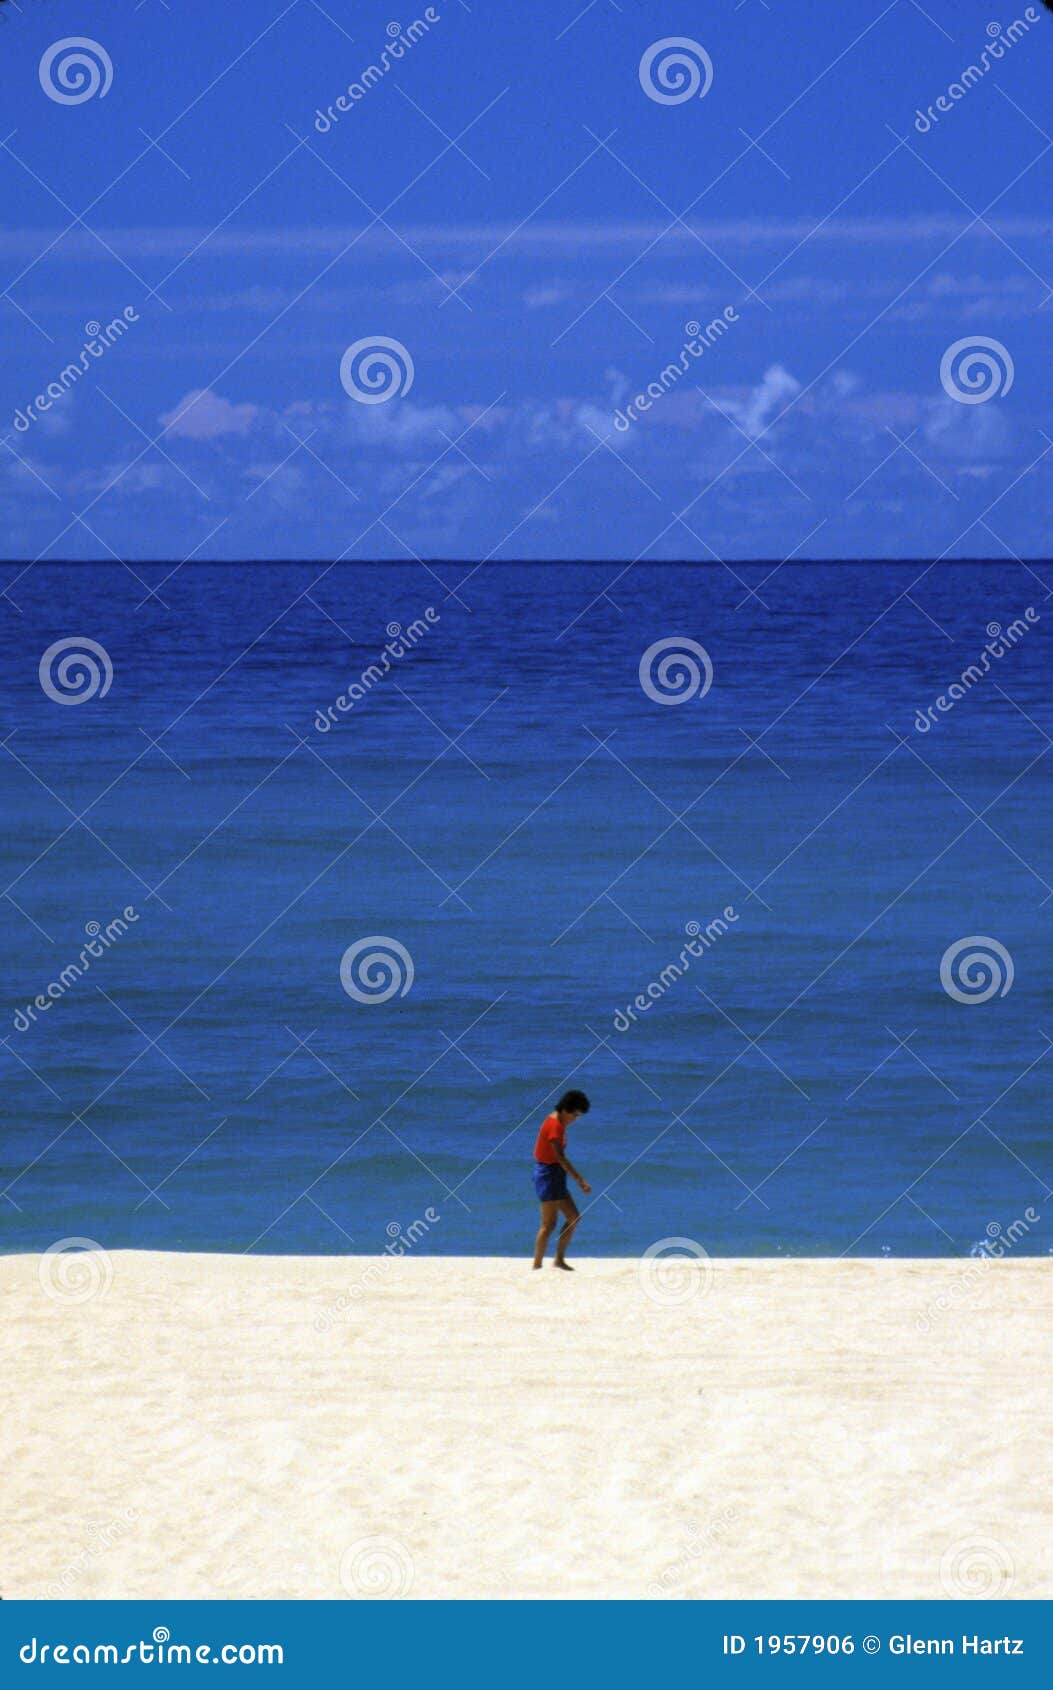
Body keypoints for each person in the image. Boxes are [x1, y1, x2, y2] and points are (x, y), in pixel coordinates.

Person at [532, 1090, 592, 1270]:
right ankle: (537, 1266)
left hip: (555, 1173)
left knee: (573, 1217)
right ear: (566, 1110)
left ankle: (558, 1259)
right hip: (547, 1174)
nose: (575, 1119)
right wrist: (580, 1180)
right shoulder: (555, 1127)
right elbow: (560, 1157)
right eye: (575, 1115)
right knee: (548, 1225)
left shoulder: (558, 1120)